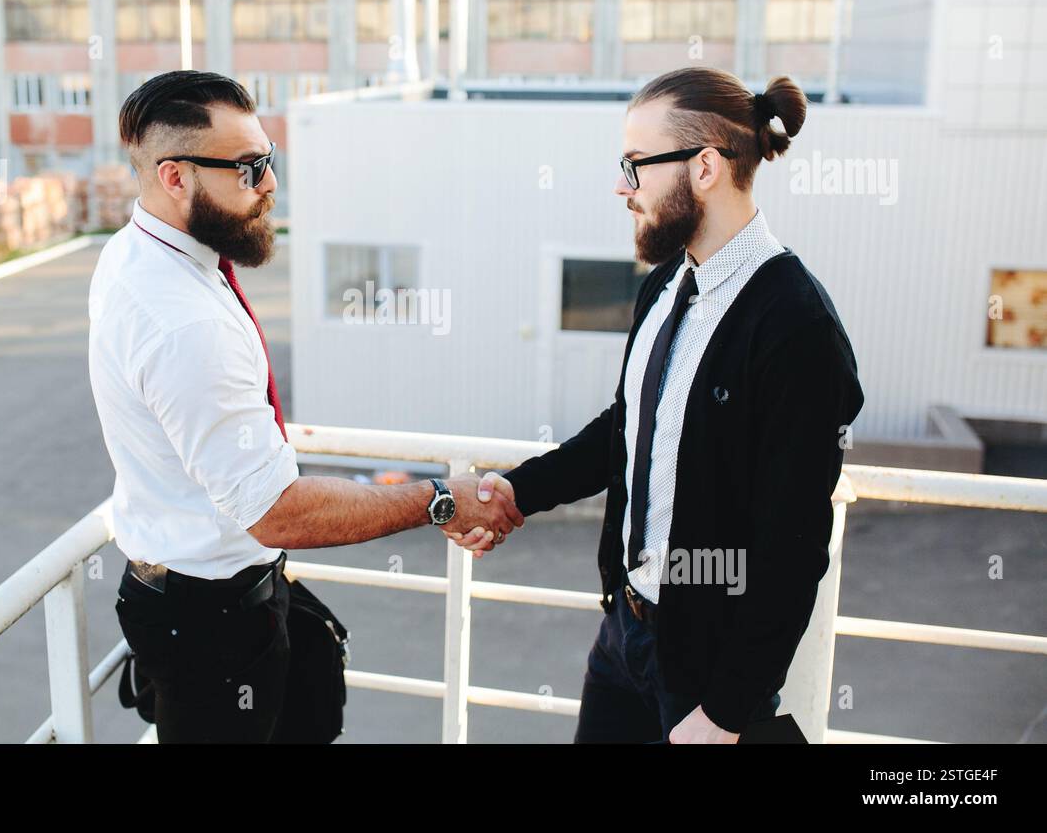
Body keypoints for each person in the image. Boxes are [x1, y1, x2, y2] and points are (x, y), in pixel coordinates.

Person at [87, 70, 523, 743]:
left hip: (202, 591)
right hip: (208, 621)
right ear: (174, 177)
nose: (269, 184)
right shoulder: (184, 324)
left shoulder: (140, 252)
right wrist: (441, 499)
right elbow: (279, 512)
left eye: (269, 160)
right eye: (248, 168)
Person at [460, 66, 865, 743]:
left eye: (635, 165)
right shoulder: (665, 288)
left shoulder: (796, 327)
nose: (622, 186)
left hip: (706, 676)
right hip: (623, 638)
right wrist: (517, 491)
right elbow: (627, 430)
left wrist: (729, 710)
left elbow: (791, 549)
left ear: (705, 166)